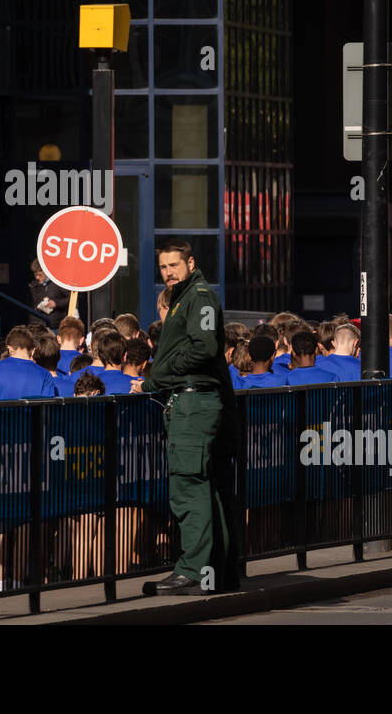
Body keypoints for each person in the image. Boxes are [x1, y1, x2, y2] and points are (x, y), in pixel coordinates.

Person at [133, 238, 238, 596]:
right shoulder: (188, 298)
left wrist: (158, 378)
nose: (168, 273)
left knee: (189, 488)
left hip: (193, 404)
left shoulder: (199, 297)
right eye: (162, 267)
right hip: (195, 402)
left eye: (174, 265)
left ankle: (193, 570)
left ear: (191, 263)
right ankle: (219, 573)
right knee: (209, 489)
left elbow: (205, 348)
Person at [0, 326, 58, 400]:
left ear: (9, 349)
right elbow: (47, 406)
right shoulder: (44, 374)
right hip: (33, 412)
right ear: (33, 351)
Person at [26, 258, 64, 329]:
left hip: (53, 325)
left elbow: (69, 299)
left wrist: (56, 303)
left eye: (40, 275)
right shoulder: (33, 285)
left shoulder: (57, 283)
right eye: (35, 274)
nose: (37, 277)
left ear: (46, 272)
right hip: (37, 326)